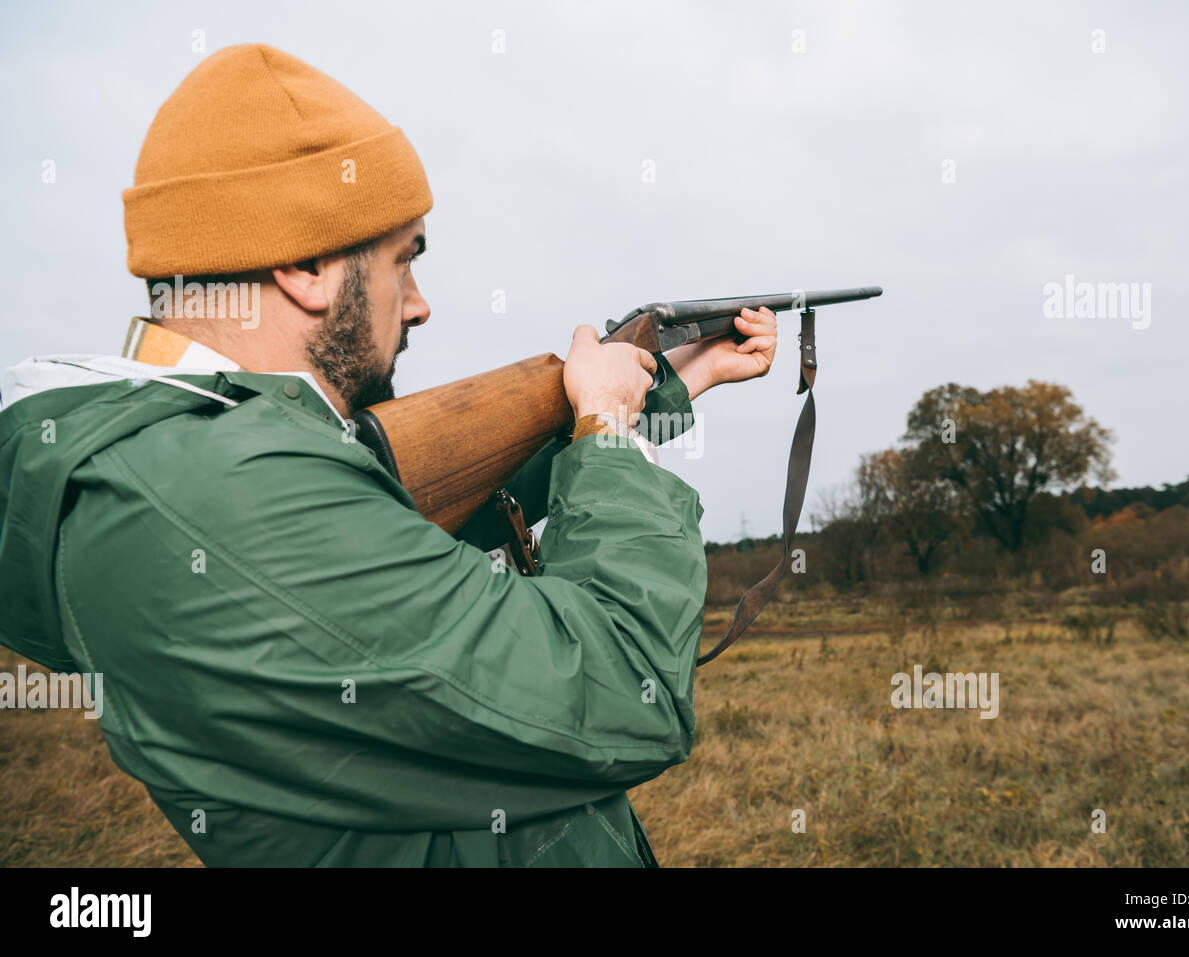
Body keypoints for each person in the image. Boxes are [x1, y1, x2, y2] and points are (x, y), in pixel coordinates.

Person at [0, 43, 776, 866]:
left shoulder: (194, 457)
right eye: (403, 260)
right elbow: (624, 689)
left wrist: (663, 392)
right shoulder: (219, 495)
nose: (421, 304)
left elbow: (400, 525)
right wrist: (608, 431)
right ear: (304, 265)